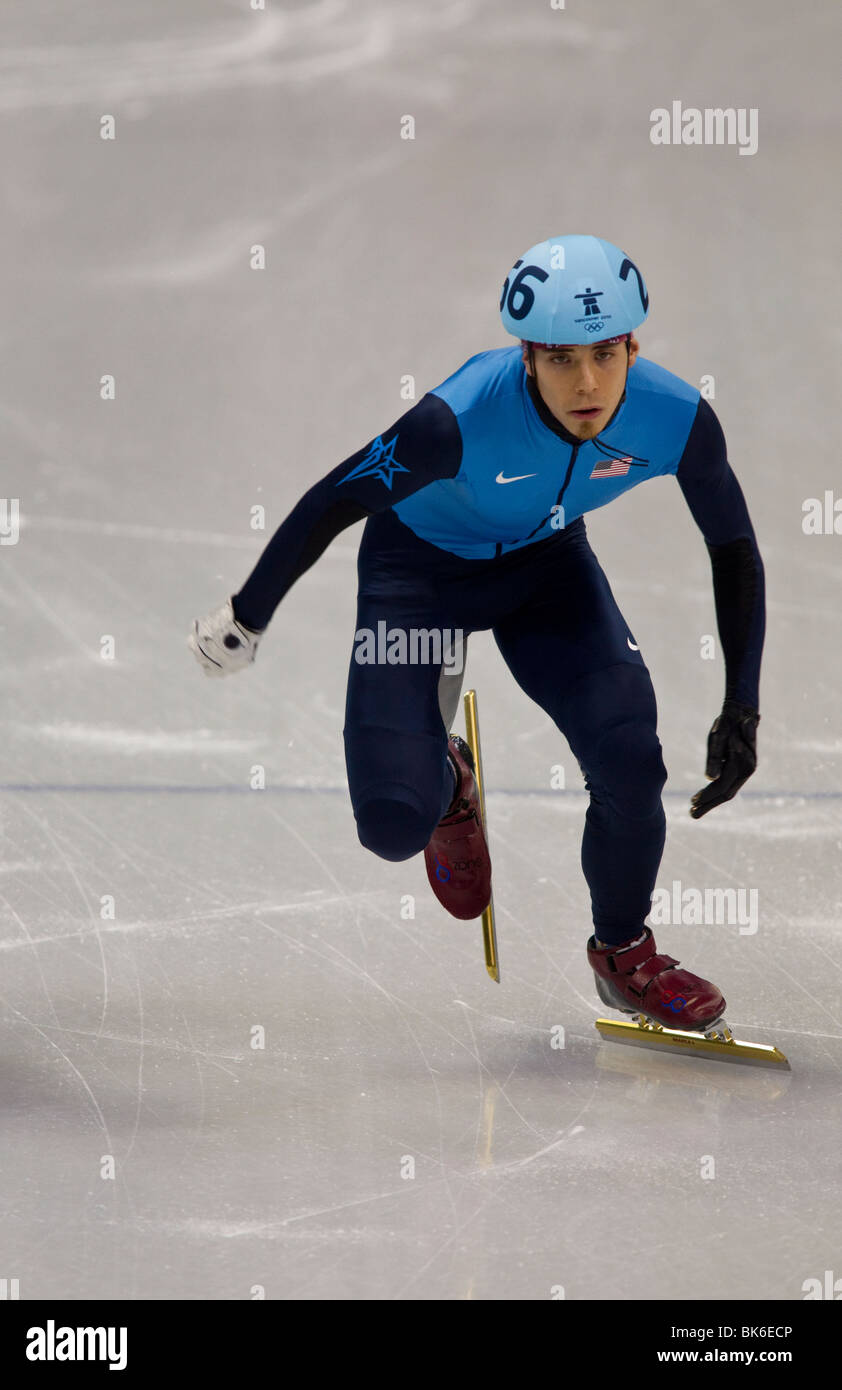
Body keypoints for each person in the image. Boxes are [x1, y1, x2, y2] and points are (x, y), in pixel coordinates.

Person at [189, 234, 764, 1035]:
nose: (588, 382)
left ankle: (625, 953)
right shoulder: (452, 422)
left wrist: (743, 705)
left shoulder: (677, 419)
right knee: (391, 824)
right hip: (416, 576)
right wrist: (249, 613)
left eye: (606, 353)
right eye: (562, 358)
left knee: (631, 756)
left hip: (547, 574)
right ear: (526, 355)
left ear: (635, 344)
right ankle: (447, 783)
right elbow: (334, 498)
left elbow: (732, 547)